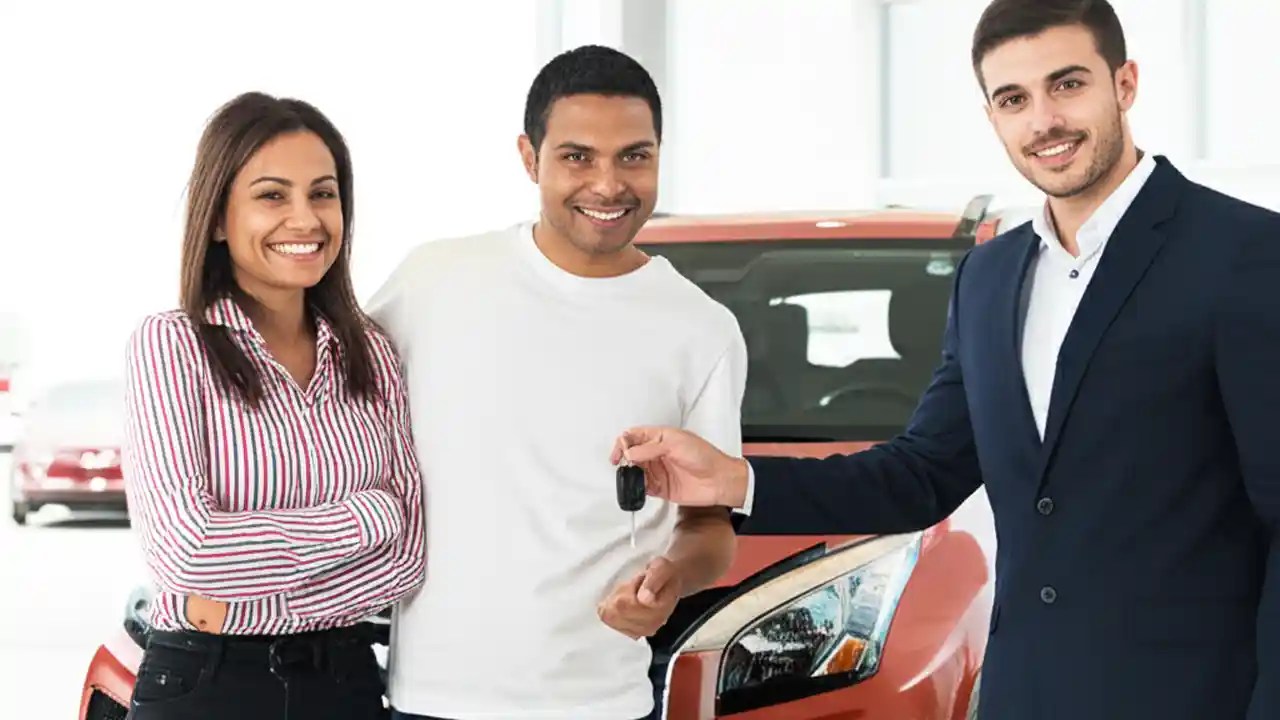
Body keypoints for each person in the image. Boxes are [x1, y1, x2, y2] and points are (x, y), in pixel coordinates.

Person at [611, 2, 1280, 718]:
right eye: (1014, 99)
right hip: (1025, 697)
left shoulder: (1244, 256)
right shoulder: (990, 277)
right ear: (992, 115)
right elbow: (923, 474)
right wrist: (735, 479)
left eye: (1068, 84)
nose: (1044, 121)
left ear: (1126, 83)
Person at [366, 45, 742, 720]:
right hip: (432, 698)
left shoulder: (701, 328)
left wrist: (674, 576)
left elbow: (709, 524)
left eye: (635, 155)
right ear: (528, 156)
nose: (608, 184)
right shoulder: (433, 282)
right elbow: (320, 407)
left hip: (601, 702)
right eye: (577, 156)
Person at [121, 91, 425, 720]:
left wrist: (249, 588)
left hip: (345, 681)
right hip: (207, 683)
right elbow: (188, 553)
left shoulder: (371, 351)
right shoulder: (172, 345)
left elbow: (405, 557)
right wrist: (367, 516)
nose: (306, 218)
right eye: (271, 195)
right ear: (217, 218)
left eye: (323, 192)